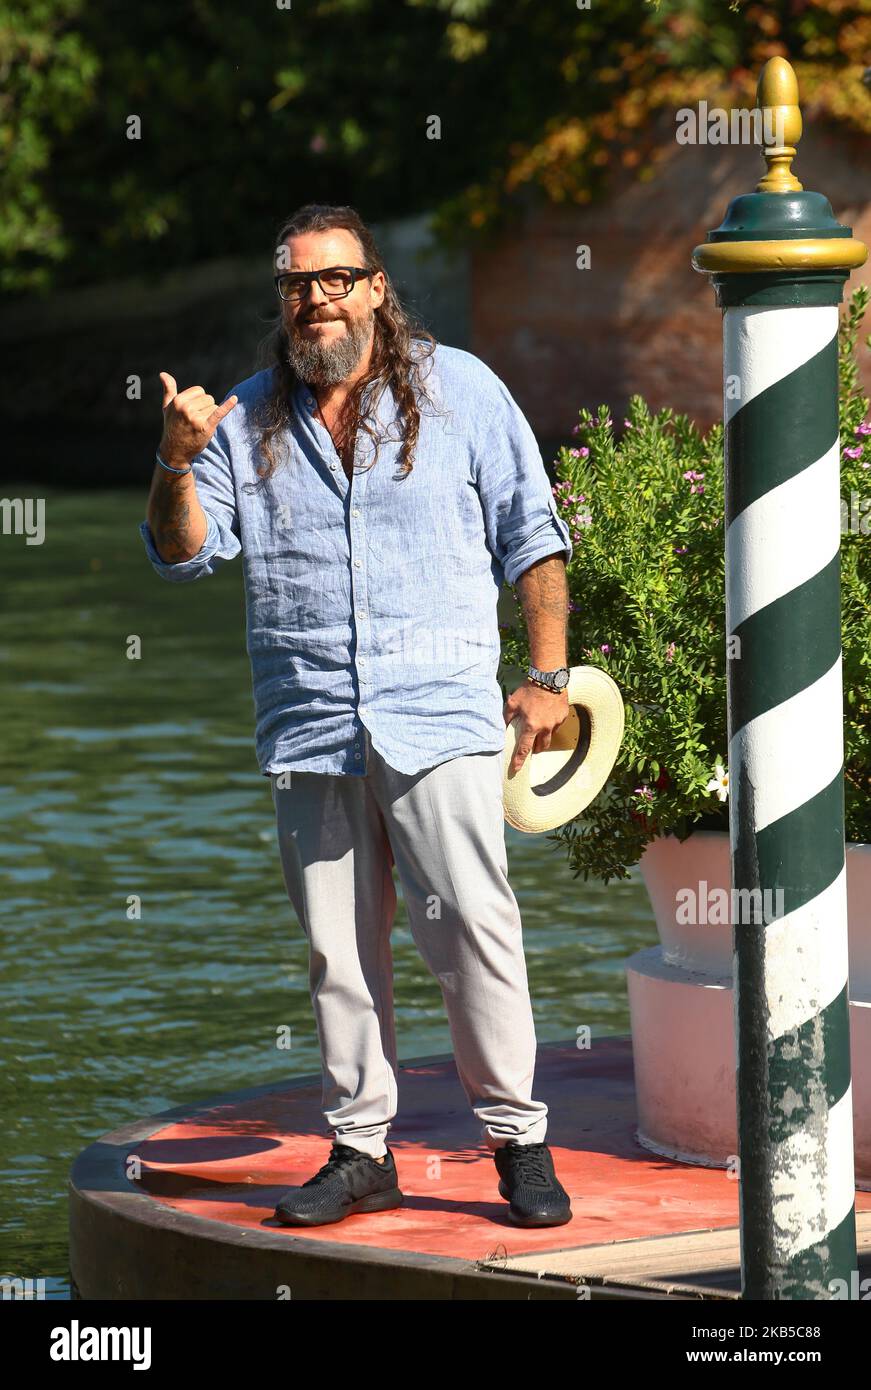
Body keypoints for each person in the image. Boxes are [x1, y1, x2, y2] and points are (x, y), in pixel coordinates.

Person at [140, 203, 574, 1229]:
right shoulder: (241, 419)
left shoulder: (463, 390)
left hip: (439, 713)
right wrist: (171, 459)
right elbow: (183, 552)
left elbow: (534, 536)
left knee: (474, 930)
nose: (315, 300)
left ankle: (518, 1142)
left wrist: (549, 675)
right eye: (295, 284)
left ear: (377, 286)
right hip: (311, 726)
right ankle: (361, 1150)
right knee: (339, 949)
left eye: (334, 278)